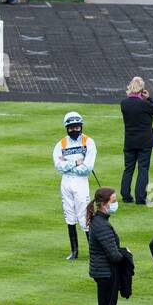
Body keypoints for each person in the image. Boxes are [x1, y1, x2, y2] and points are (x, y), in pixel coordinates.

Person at [85, 186, 131, 305]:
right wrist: (126, 253)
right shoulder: (102, 225)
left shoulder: (98, 220)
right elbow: (113, 255)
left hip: (101, 271)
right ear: (105, 203)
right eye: (113, 200)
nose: (115, 203)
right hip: (106, 273)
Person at [54, 111, 97, 260]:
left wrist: (68, 163)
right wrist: (76, 162)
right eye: (71, 127)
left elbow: (87, 167)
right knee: (69, 215)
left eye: (77, 127)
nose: (74, 130)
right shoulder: (61, 143)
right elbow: (58, 166)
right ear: (67, 128)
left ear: (81, 126)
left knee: (84, 215)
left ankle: (94, 252)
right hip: (65, 181)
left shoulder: (88, 142)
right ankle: (74, 252)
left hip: (81, 181)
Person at [119, 76, 153, 205]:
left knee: (128, 168)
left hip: (130, 140)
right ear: (142, 89)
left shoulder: (124, 103)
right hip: (145, 141)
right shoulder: (144, 104)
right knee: (143, 169)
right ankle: (140, 197)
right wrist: (149, 98)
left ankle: (126, 195)